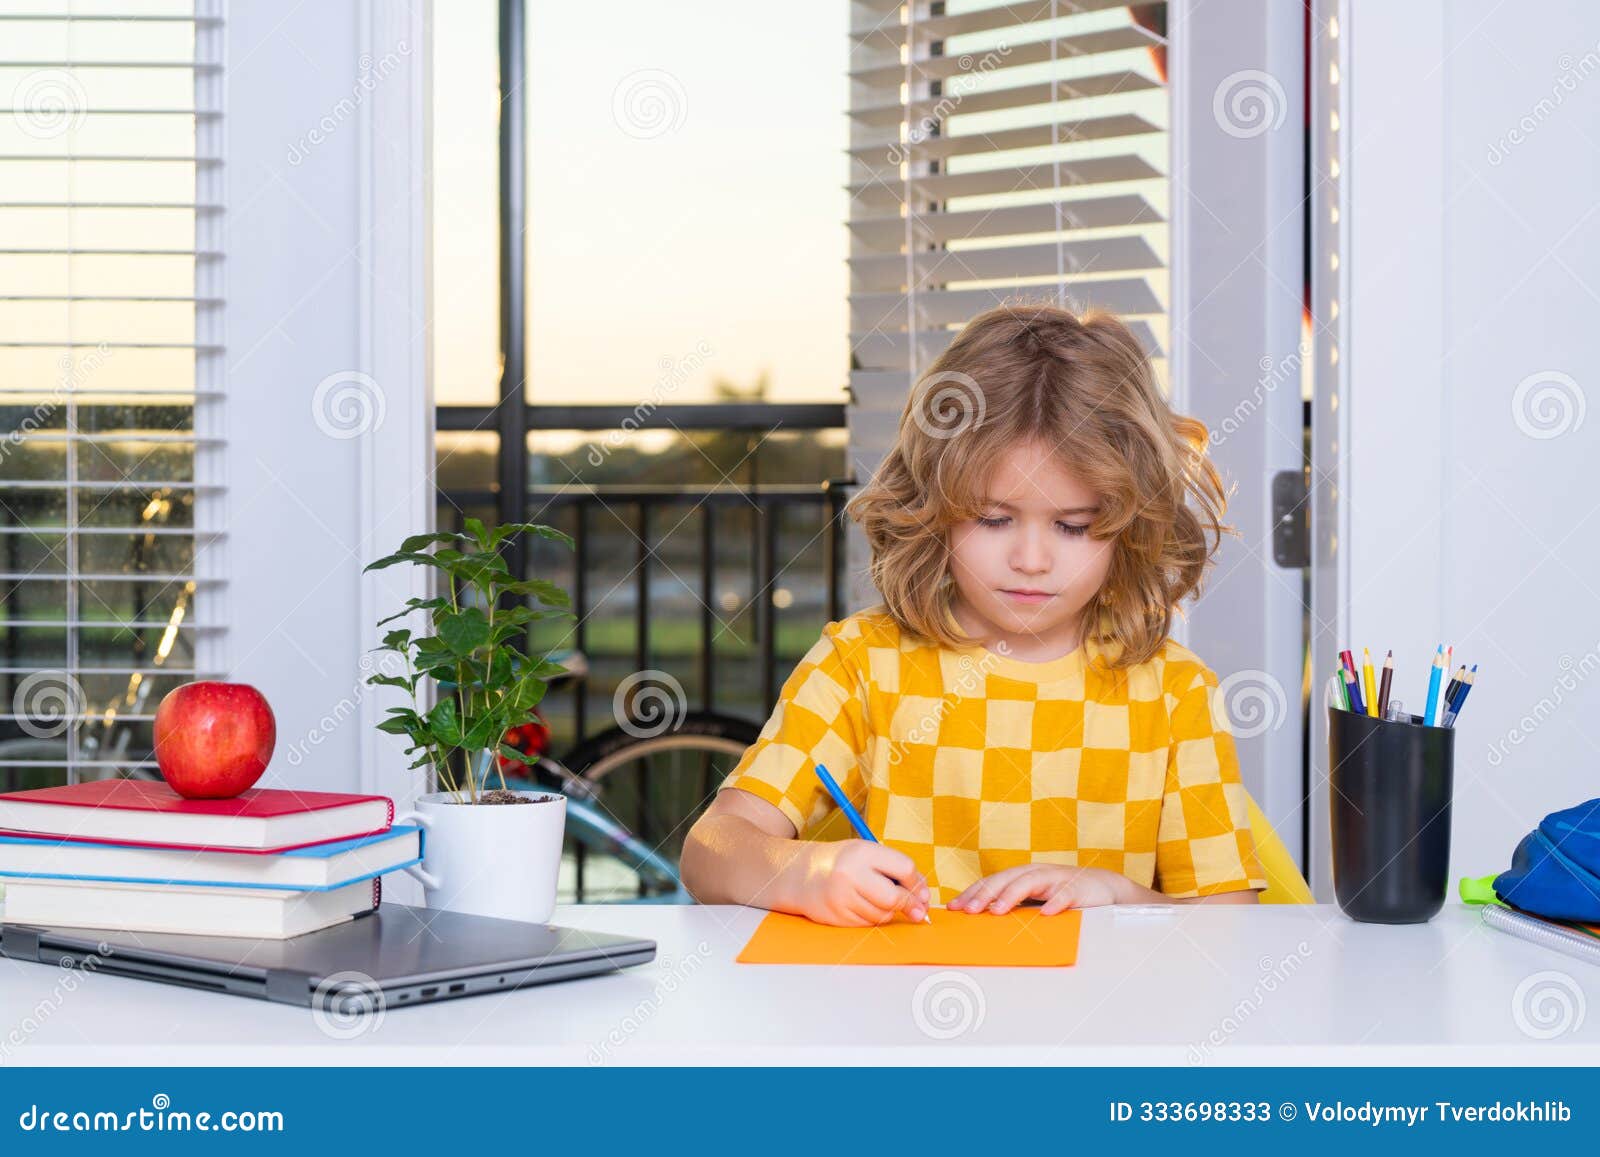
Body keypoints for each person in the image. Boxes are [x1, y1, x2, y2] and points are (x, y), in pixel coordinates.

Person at [681, 303, 1267, 925]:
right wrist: (806, 872)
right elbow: (709, 851)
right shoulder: (862, 664)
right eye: (993, 519)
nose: (1031, 560)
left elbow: (1229, 922)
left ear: (1130, 527)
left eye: (1073, 526)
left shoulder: (1175, 694)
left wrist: (1118, 896)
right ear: (933, 509)